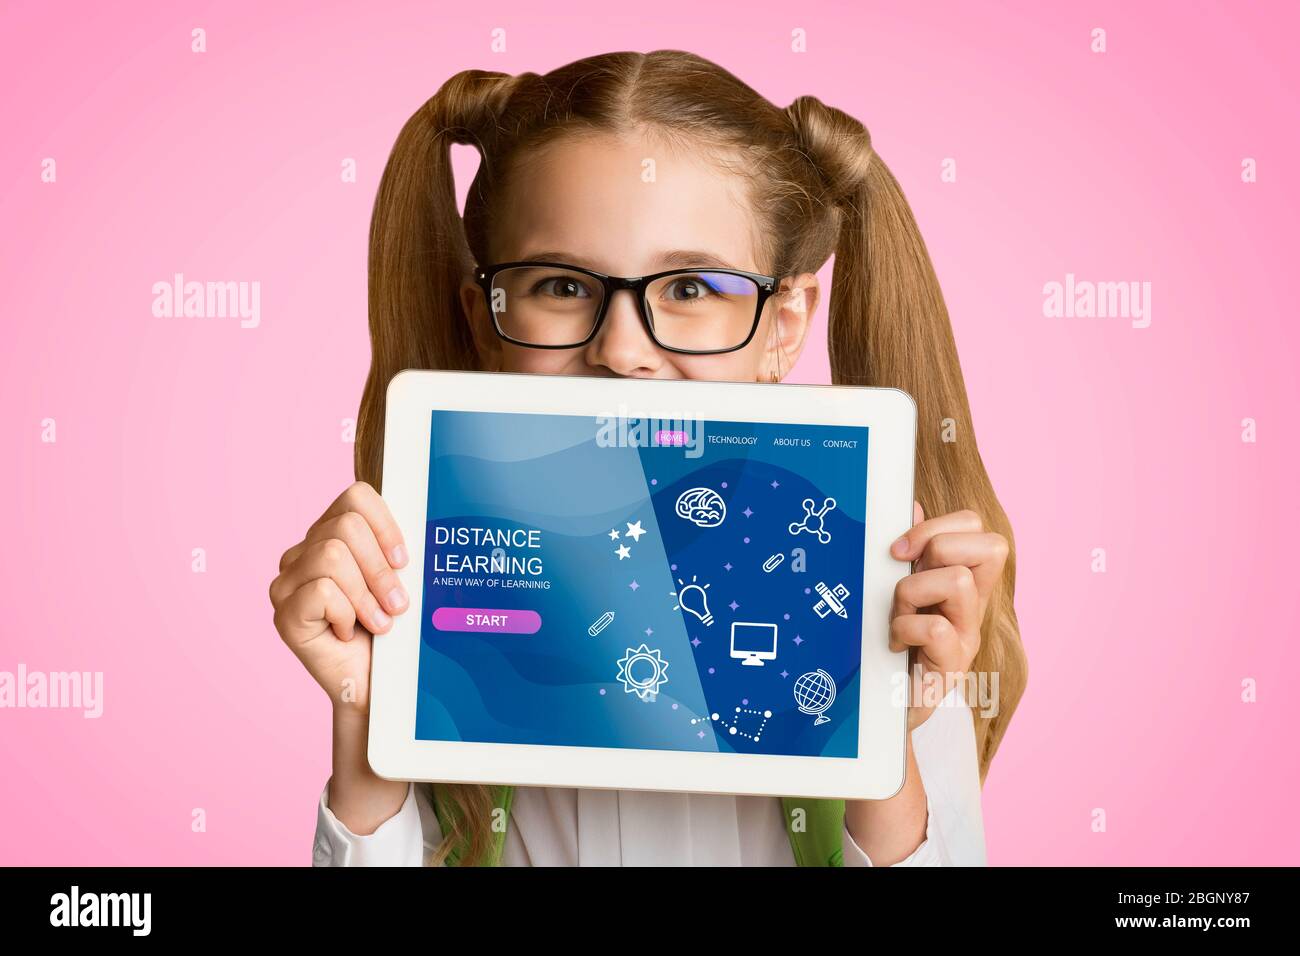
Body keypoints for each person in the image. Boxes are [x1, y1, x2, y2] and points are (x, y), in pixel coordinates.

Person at [269, 50, 1027, 867]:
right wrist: (369, 723)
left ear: (786, 324)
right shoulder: (419, 609)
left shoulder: (886, 610)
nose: (622, 349)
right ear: (487, 323)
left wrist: (880, 738)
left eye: (692, 288)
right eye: (561, 286)